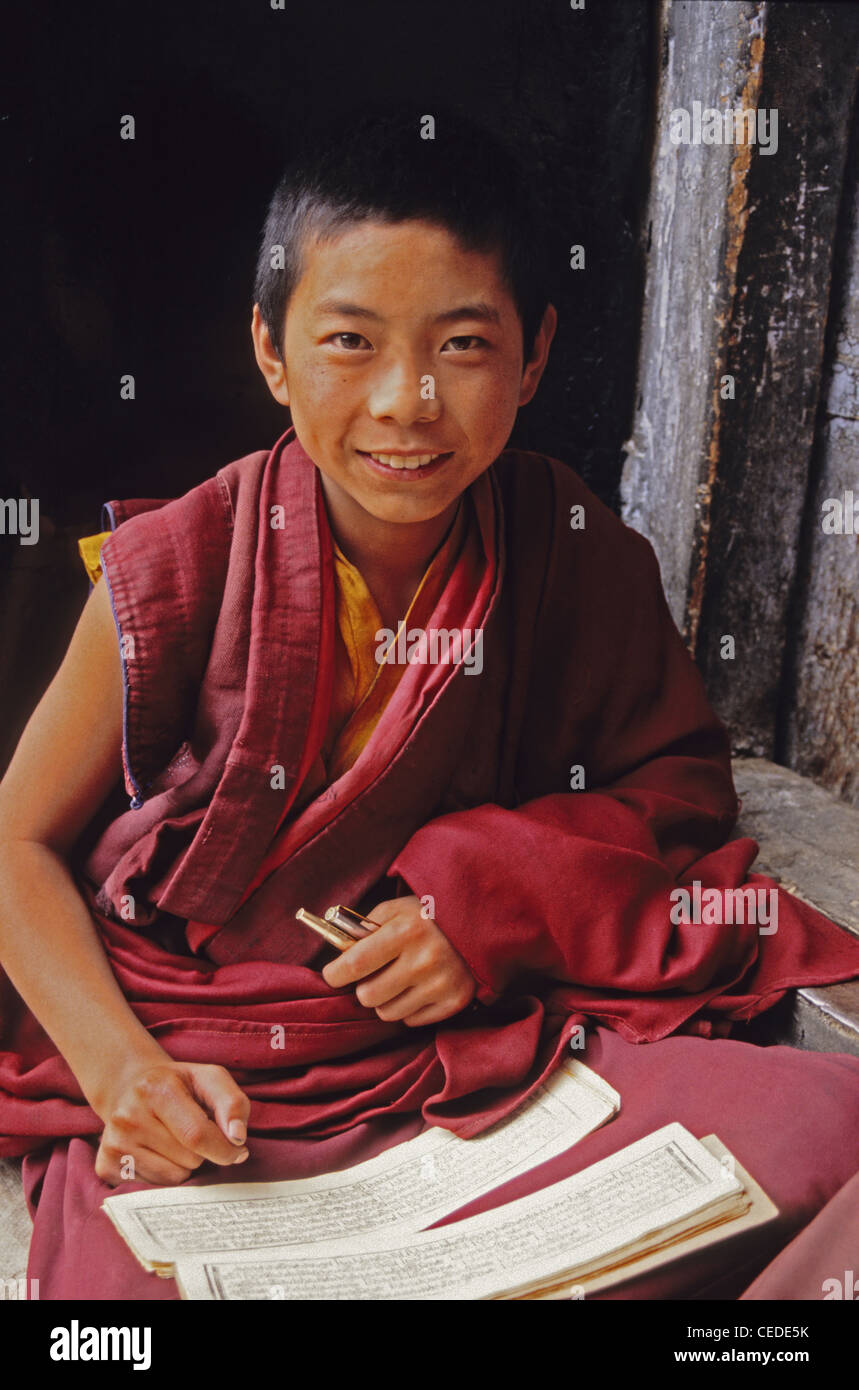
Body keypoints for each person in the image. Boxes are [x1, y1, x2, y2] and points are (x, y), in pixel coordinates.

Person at [0, 109, 857, 1301]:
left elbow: (675, 794)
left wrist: (484, 896)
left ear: (534, 357)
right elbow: (15, 842)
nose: (405, 401)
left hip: (465, 1050)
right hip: (216, 1072)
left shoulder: (571, 553)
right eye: (349, 341)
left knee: (835, 1131)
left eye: (461, 346)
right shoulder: (175, 568)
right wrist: (120, 1073)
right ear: (270, 351)